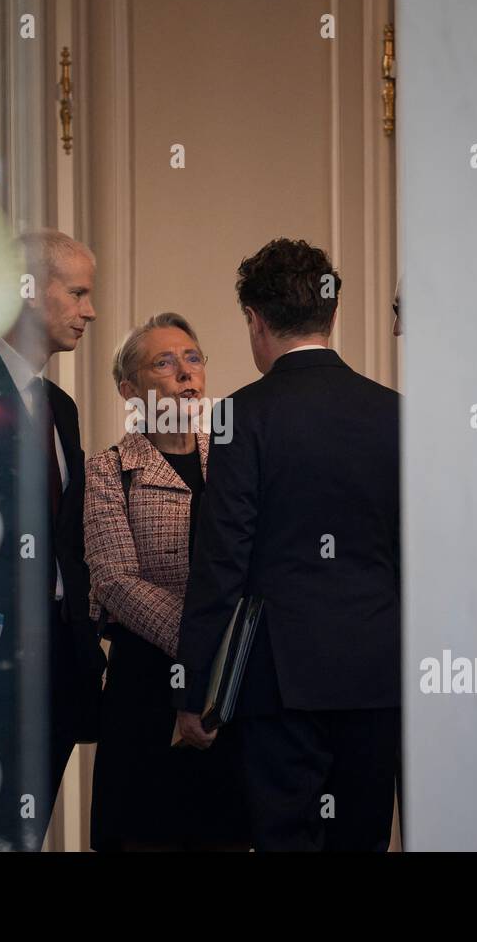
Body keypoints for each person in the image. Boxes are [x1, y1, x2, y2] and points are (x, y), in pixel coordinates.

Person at [174, 238, 401, 851]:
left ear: (255, 320)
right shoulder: (395, 414)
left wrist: (196, 692)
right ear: (332, 313)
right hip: (380, 676)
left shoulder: (240, 416)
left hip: (280, 682)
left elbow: (222, 562)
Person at [0, 229, 105, 851]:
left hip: (60, 664)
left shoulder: (61, 407)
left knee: (26, 835)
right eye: (78, 293)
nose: (90, 310)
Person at [83, 314, 250, 852]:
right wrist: (207, 639)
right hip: (145, 689)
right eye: (165, 361)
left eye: (193, 357)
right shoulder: (109, 470)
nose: (185, 371)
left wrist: (223, 654)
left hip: (229, 691)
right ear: (130, 391)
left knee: (224, 833)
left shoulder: (236, 460)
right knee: (142, 835)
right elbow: (112, 580)